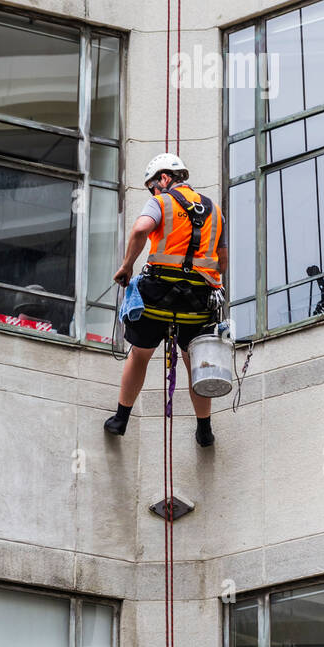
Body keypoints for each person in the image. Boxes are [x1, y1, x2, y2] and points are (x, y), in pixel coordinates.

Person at [104, 152, 228, 448]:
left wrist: (126, 266)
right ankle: (204, 430)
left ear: (164, 178)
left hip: (158, 296)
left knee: (140, 354)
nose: (153, 192)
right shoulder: (215, 210)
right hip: (198, 303)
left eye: (152, 186)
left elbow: (140, 229)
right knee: (194, 361)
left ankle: (121, 419)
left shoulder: (161, 202)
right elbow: (222, 261)